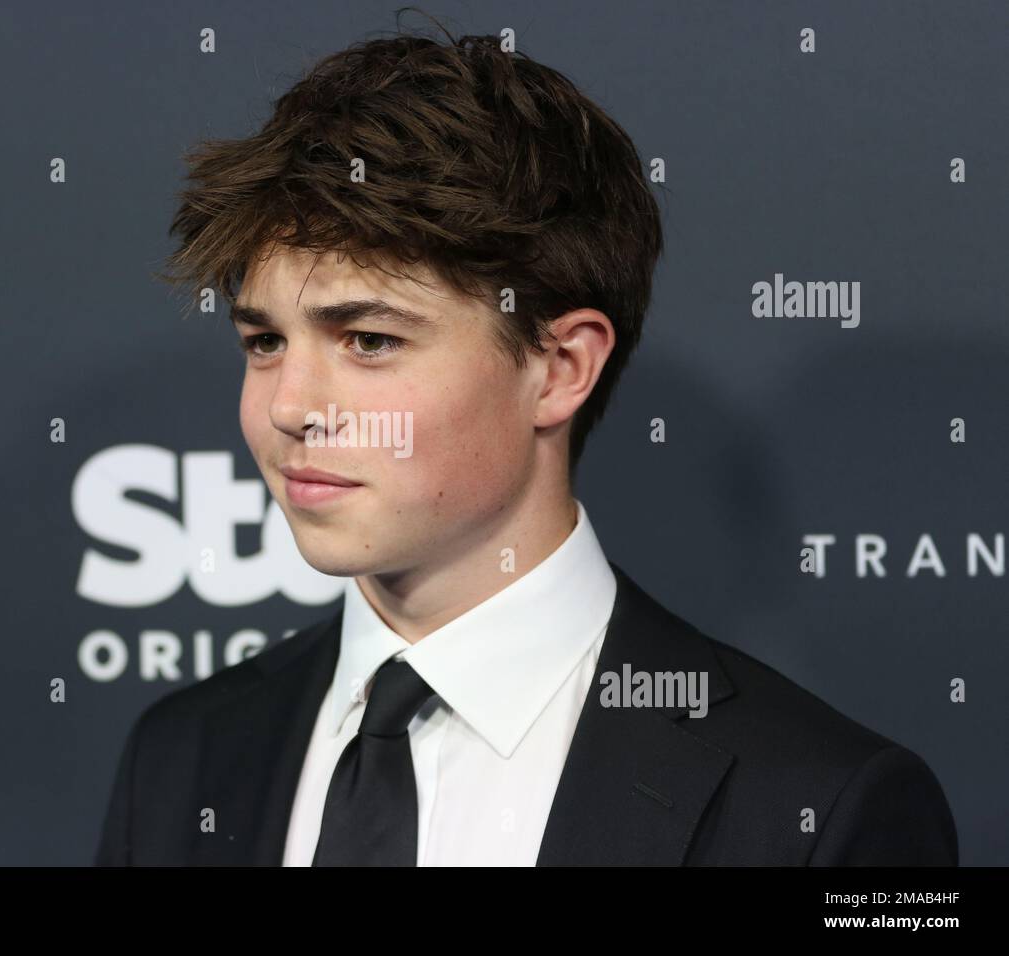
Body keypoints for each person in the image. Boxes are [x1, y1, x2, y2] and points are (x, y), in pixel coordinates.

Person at [94, 24, 958, 866]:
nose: (289, 407)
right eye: (264, 342)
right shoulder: (181, 758)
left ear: (558, 368)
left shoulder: (822, 806)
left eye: (369, 341)